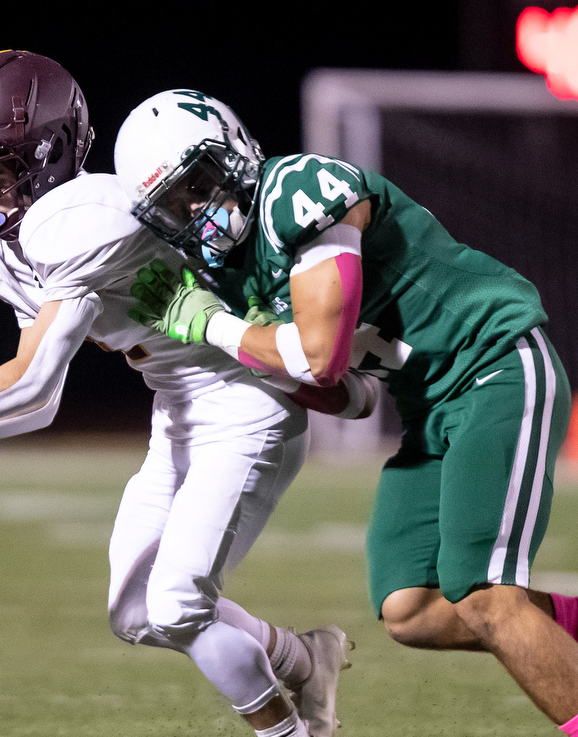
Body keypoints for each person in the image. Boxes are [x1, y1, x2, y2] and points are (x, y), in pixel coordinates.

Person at [0, 52, 379, 737]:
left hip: (248, 402)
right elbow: (39, 402)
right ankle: (302, 657)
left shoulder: (82, 218)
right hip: (179, 415)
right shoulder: (5, 255)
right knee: (136, 612)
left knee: (175, 603)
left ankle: (290, 733)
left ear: (47, 154)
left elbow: (30, 379)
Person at [115, 88, 578, 734]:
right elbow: (353, 398)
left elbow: (323, 357)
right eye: (174, 204)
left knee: (485, 597)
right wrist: (237, 349)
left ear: (236, 154)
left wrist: (218, 330)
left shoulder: (298, 191)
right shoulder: (230, 275)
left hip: (494, 365)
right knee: (412, 612)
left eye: (200, 184)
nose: (197, 211)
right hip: (431, 406)